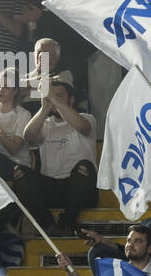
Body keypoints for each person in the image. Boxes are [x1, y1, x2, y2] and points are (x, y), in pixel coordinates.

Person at [17, 79, 97, 235]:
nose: (53, 98)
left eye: (59, 95)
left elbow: (83, 128)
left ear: (71, 99)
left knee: (84, 166)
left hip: (81, 189)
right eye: (49, 96)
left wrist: (53, 98)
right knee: (20, 172)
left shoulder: (87, 118)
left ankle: (66, 223)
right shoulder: (45, 124)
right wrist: (45, 107)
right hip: (53, 188)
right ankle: (47, 223)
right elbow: (28, 136)